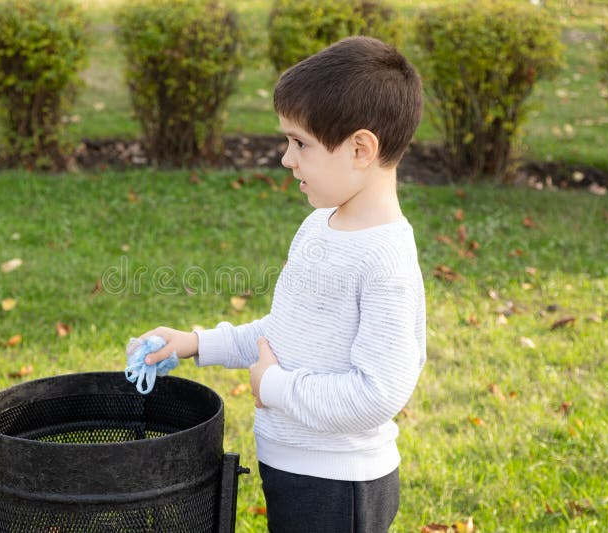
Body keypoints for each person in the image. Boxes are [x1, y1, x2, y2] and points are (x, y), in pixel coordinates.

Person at [131, 36, 426, 532]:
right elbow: (283, 335)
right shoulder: (319, 226)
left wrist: (275, 386)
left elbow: (376, 394)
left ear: (360, 149)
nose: (287, 159)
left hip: (339, 486)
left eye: (300, 143)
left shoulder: (384, 259)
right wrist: (196, 343)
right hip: (293, 467)